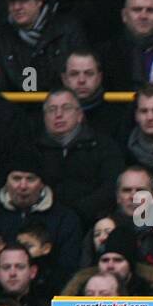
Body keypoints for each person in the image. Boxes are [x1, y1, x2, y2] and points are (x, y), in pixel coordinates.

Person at [0, 156, 83, 290]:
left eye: (30, 179)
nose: (22, 186)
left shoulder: (64, 219)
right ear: (6, 181)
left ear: (42, 183)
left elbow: (68, 269)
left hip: (48, 297)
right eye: (16, 178)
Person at [33, 90, 124, 234]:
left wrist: (76, 213)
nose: (58, 114)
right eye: (52, 109)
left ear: (80, 115)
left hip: (91, 223)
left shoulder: (103, 146)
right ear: (44, 117)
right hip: (41, 224)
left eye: (66, 108)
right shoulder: (33, 149)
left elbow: (111, 186)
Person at [0, 0, 88, 91]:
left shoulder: (67, 29)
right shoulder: (1, 38)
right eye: (12, 2)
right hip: (18, 107)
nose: (16, 7)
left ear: (39, 1)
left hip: (61, 105)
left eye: (23, 0)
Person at [58, 50, 126, 143]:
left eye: (89, 73)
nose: (81, 80)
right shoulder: (51, 117)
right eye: (74, 74)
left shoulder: (118, 118)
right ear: (64, 79)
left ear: (99, 77)